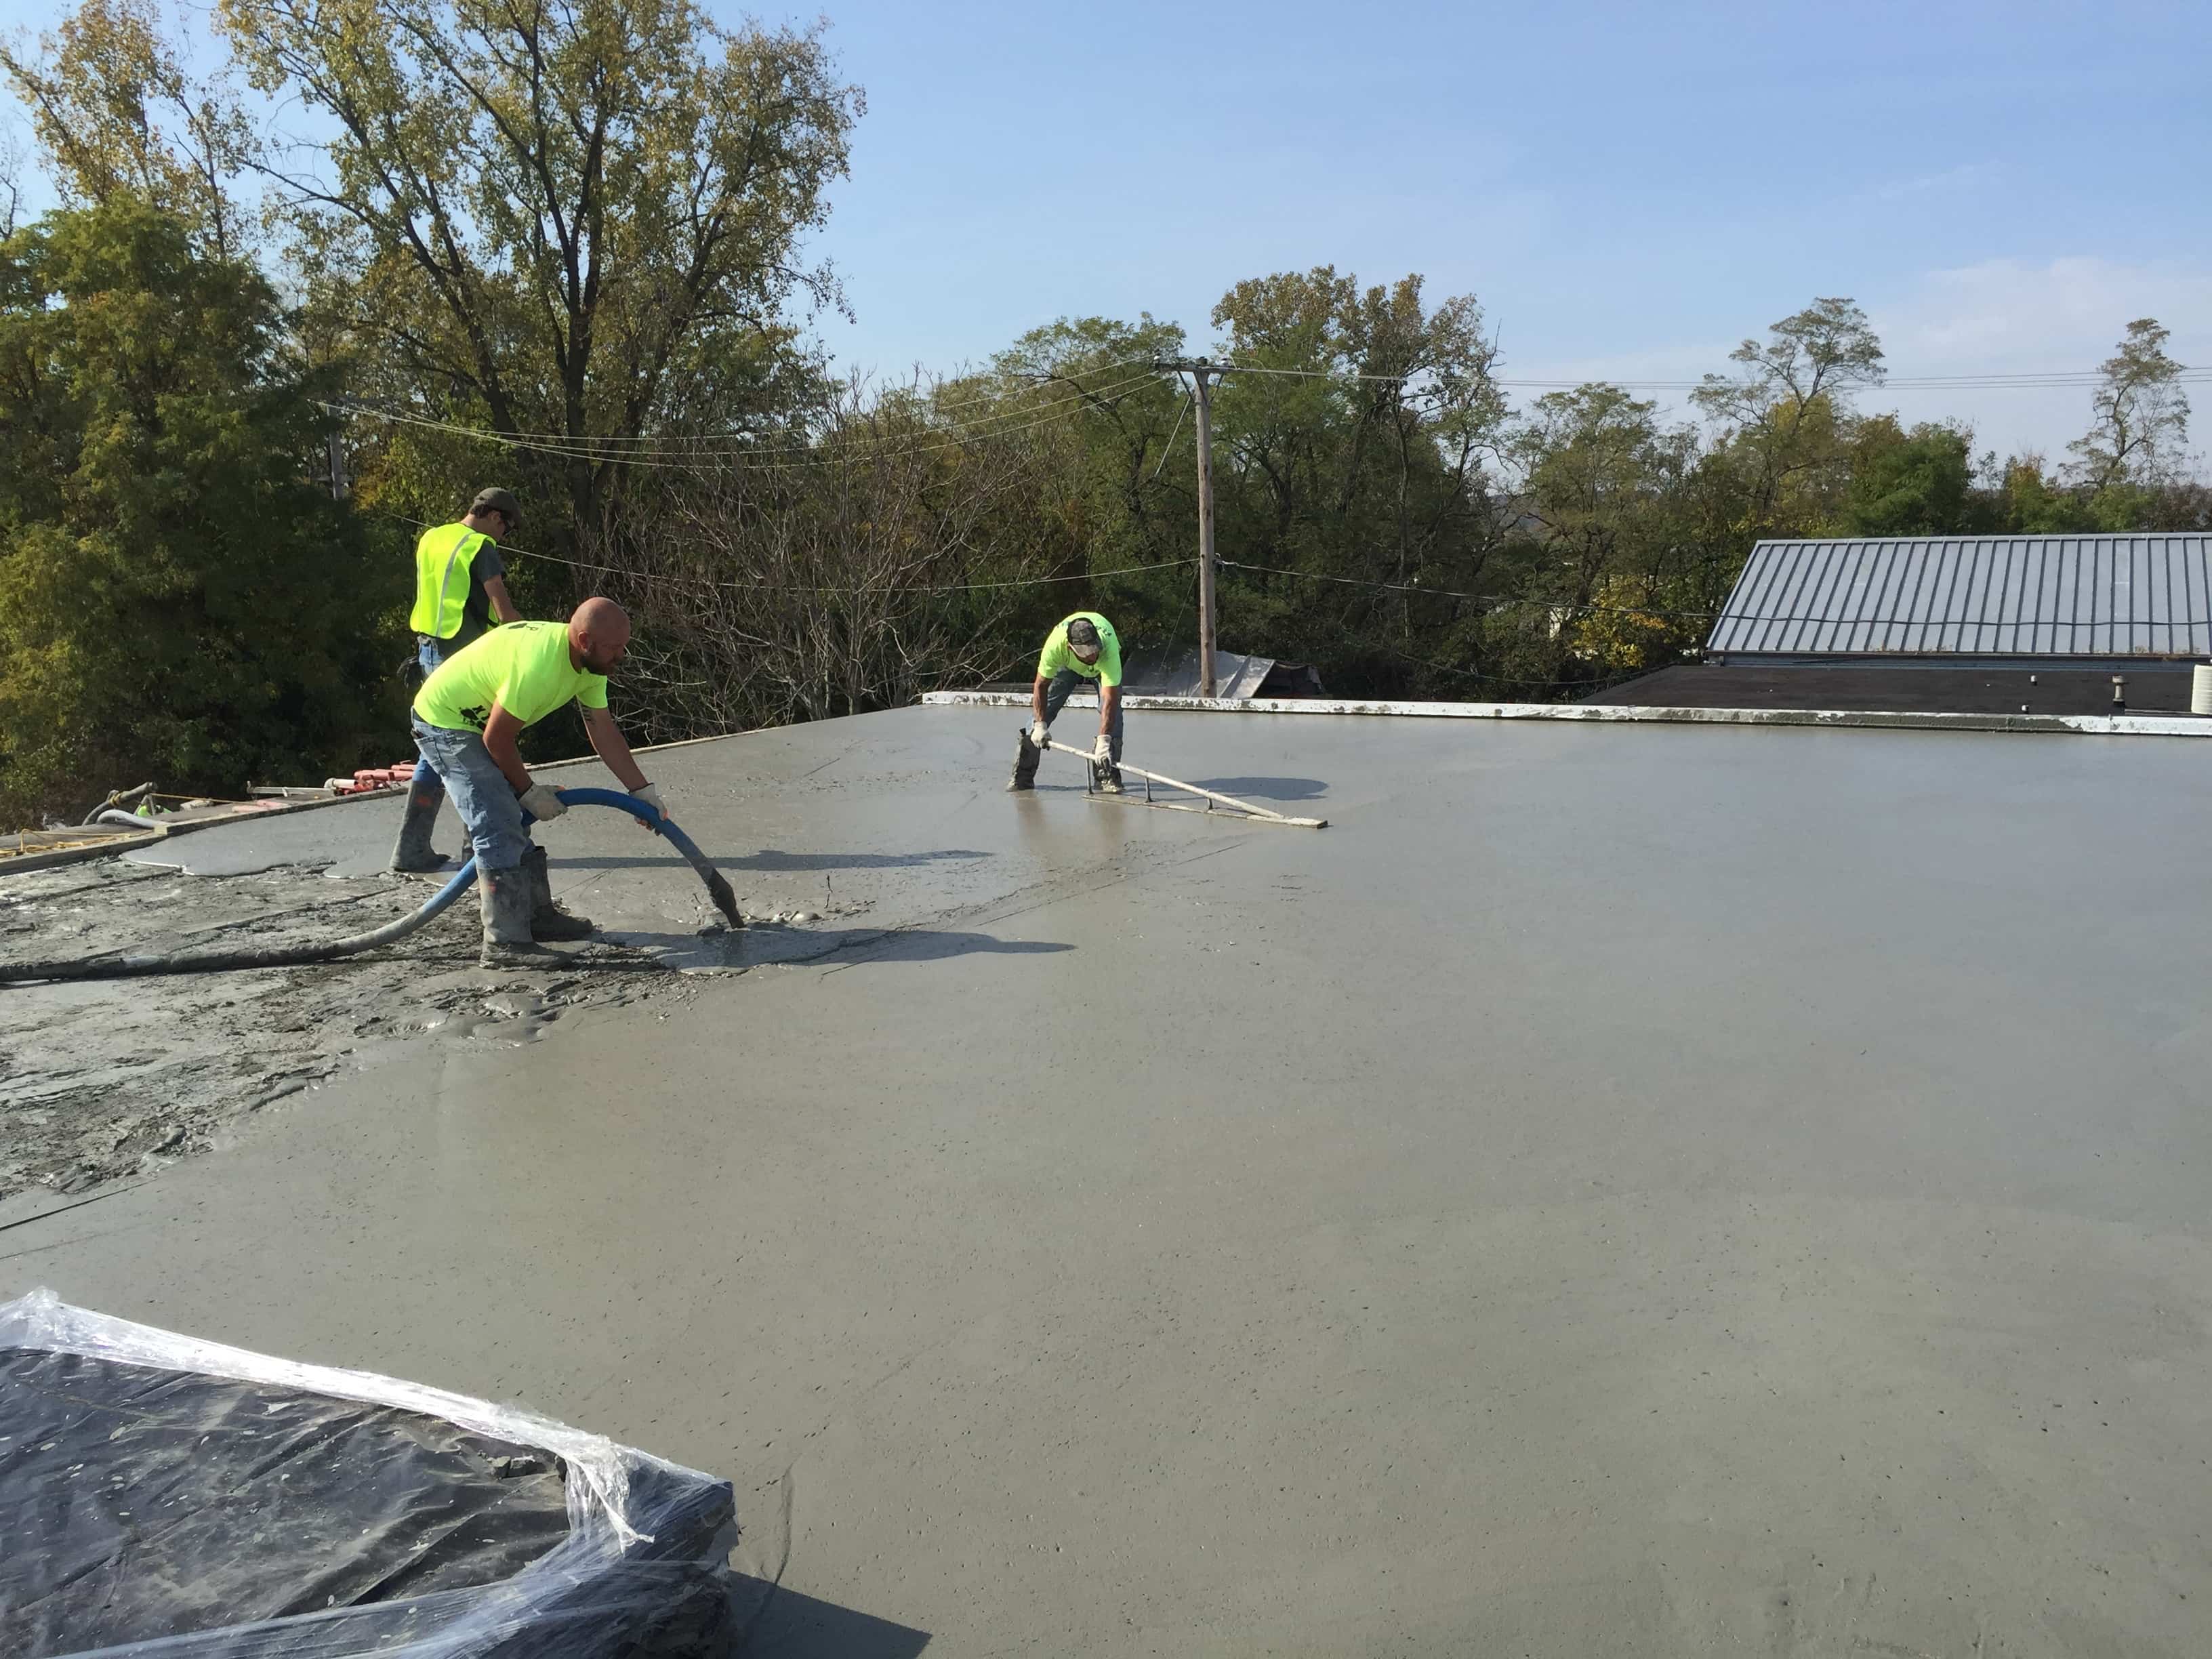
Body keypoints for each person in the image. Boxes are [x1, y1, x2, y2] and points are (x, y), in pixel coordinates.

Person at [396, 598, 668, 965]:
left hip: (480, 720)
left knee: (507, 816)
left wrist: (641, 791)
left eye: (624, 646)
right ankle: (504, 943)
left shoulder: (590, 666)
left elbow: (601, 729)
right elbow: (497, 740)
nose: (622, 656)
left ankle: (536, 917)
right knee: (498, 823)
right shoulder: (541, 665)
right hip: (445, 721)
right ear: (585, 641)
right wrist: (527, 791)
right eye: (614, 648)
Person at [390, 488, 525, 872]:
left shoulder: (433, 537)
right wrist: (528, 637)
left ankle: (411, 849)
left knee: (433, 749)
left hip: (427, 651)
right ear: (497, 518)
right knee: (475, 749)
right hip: (462, 658)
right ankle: (477, 852)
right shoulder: (481, 547)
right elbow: (504, 612)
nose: (504, 538)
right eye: (508, 529)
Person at [1009, 611, 1123, 794]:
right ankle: (1022, 776)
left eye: (1094, 650)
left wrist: (1104, 740)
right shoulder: (1055, 647)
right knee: (1046, 710)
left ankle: (1106, 776)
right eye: (1086, 654)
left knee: (1114, 716)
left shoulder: (1108, 649)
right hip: (1068, 666)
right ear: (1070, 647)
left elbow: (1109, 700)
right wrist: (1040, 725)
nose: (1092, 657)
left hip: (1102, 671)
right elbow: (1041, 686)